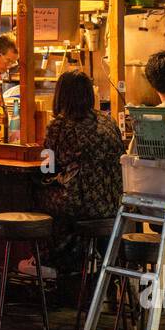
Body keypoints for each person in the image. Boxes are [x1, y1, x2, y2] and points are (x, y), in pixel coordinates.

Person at [36, 70, 127, 280]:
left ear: (61, 95)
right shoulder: (107, 121)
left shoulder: (59, 124)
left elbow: (47, 168)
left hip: (81, 204)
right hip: (113, 203)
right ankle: (91, 267)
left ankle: (51, 262)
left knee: (38, 197)